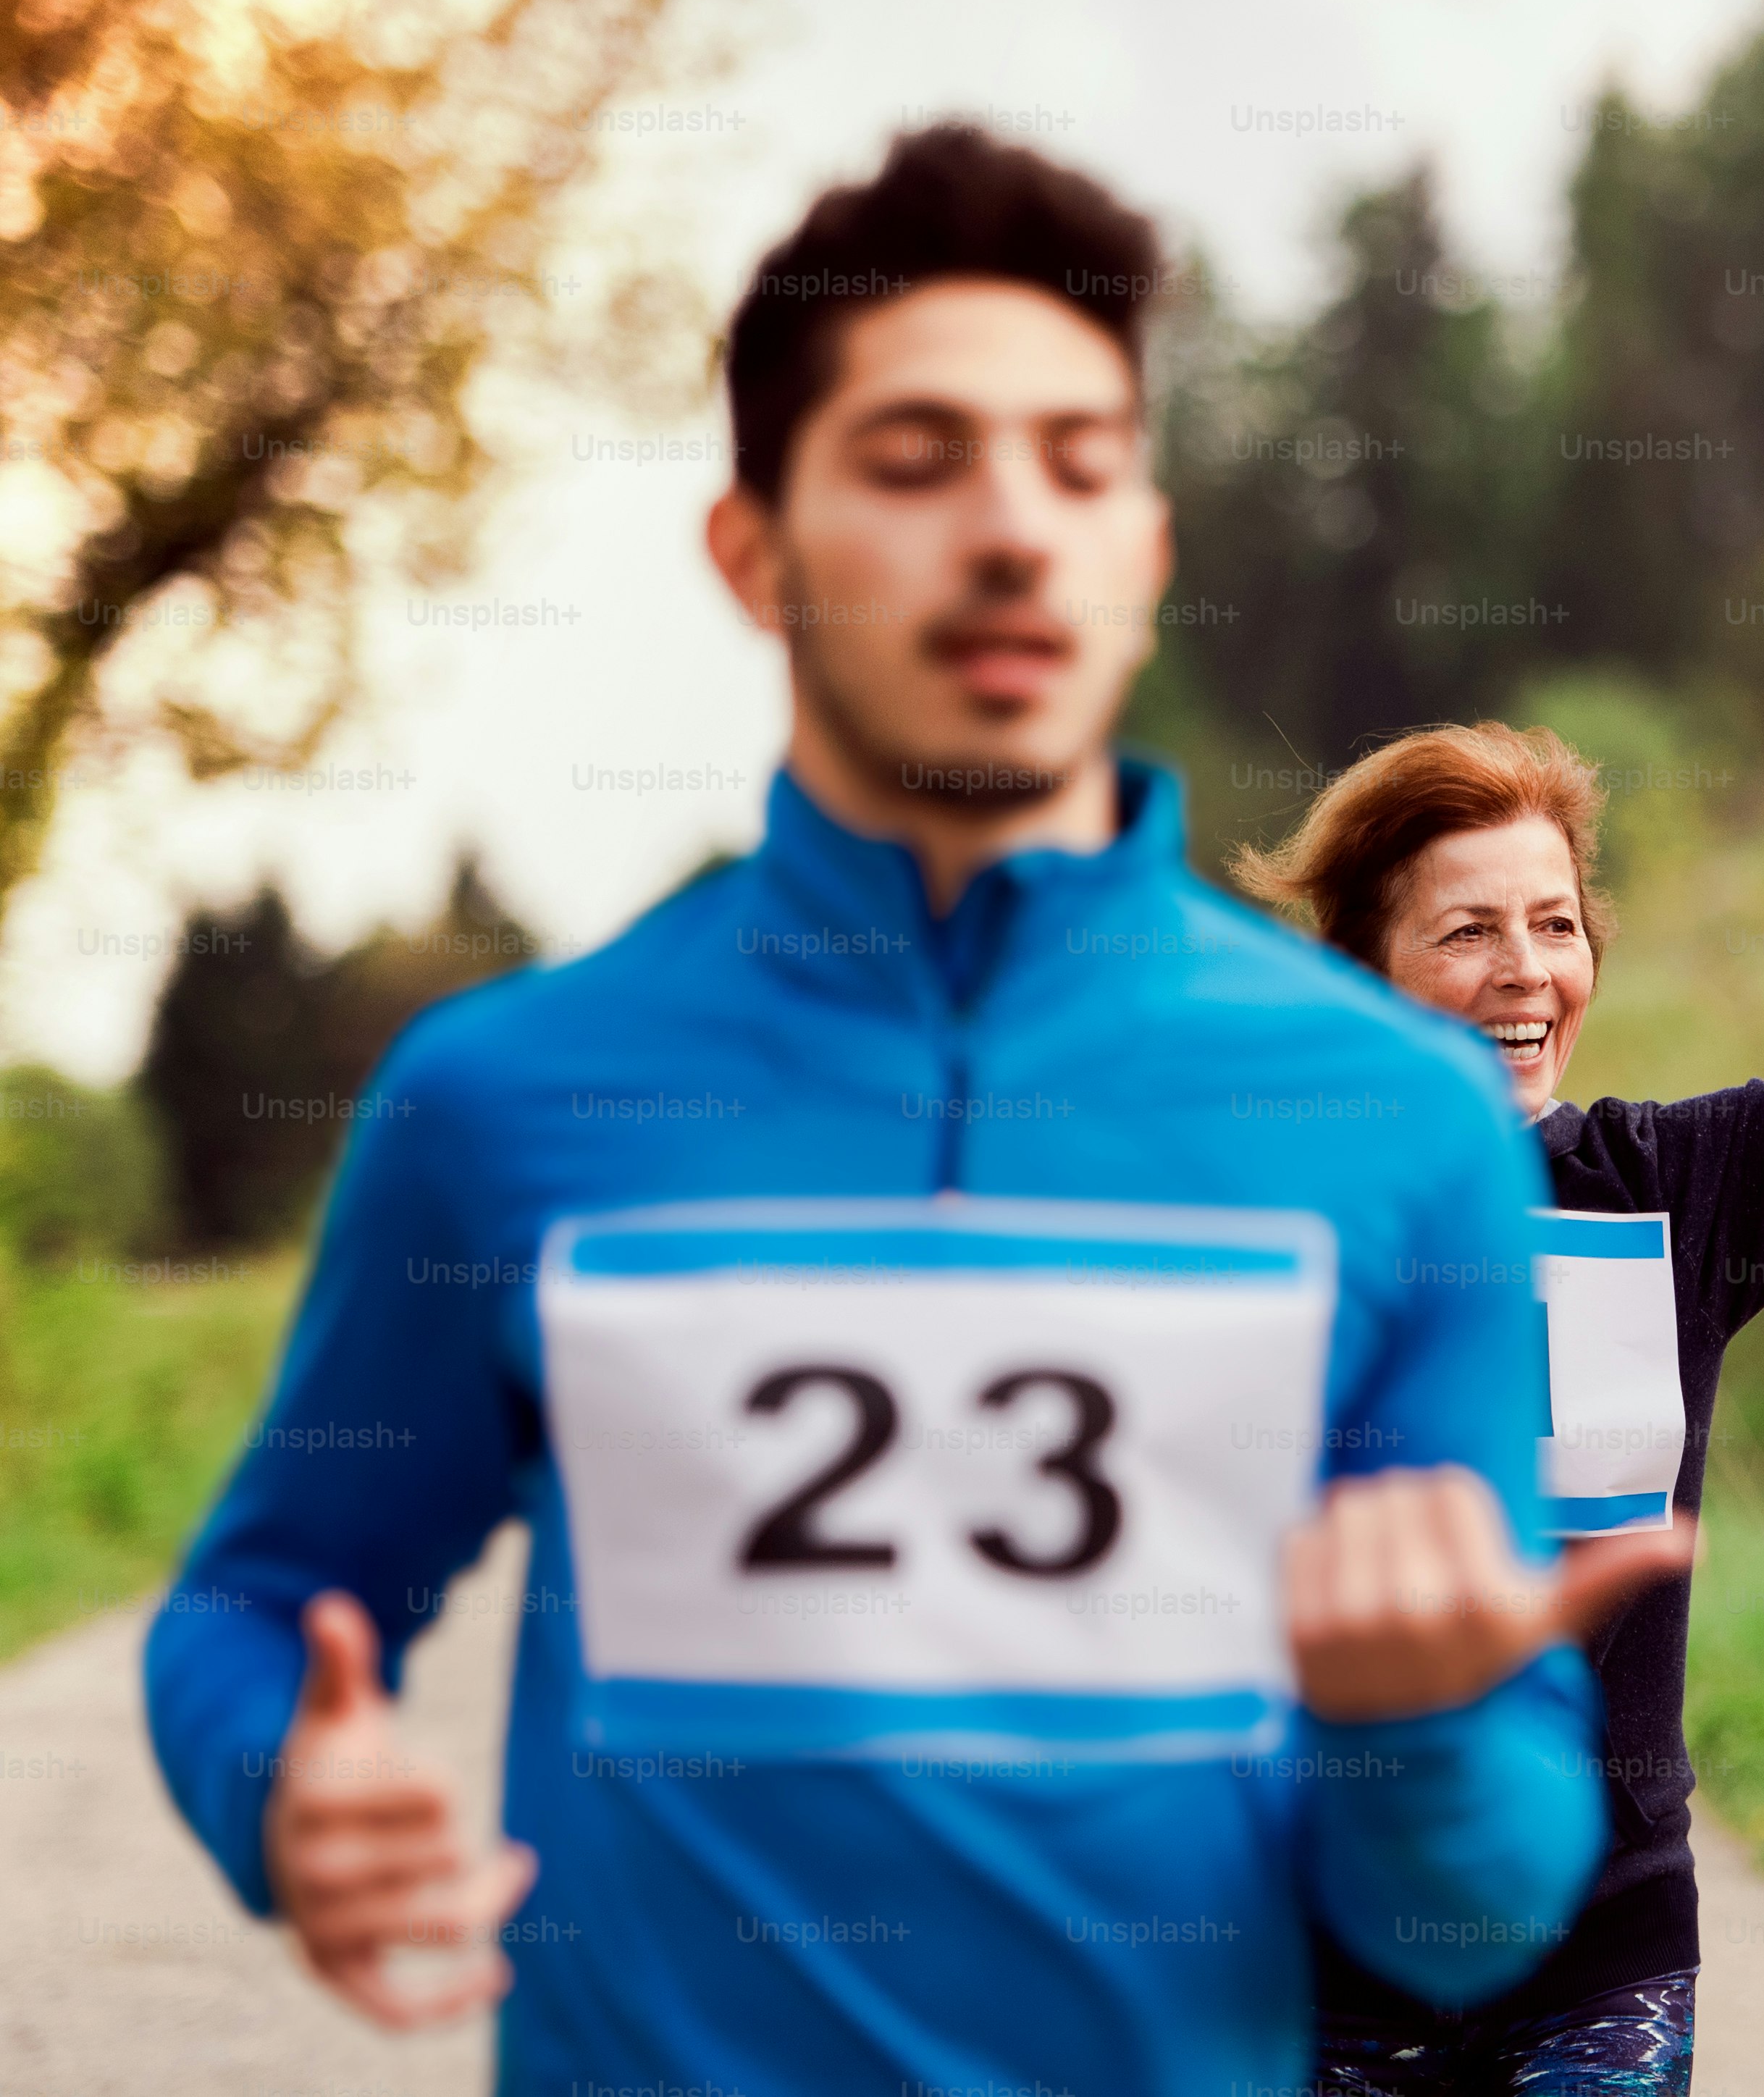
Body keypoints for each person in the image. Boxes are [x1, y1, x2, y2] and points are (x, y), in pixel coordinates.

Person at [140, 124, 1686, 2096]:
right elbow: (261, 1602)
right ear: (751, 549)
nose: (1013, 528)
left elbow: (1470, 1914)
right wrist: (277, 1779)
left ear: (1147, 551)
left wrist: (1417, 1734)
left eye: (1078, 459)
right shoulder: (504, 1101)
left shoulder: (1395, 1120)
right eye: (915, 457)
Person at [1233, 450, 1764, 2094]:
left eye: (1554, 925)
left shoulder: (1674, 1193)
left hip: (1601, 1957)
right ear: (1361, 973)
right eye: (1466, 930)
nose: (1525, 973)